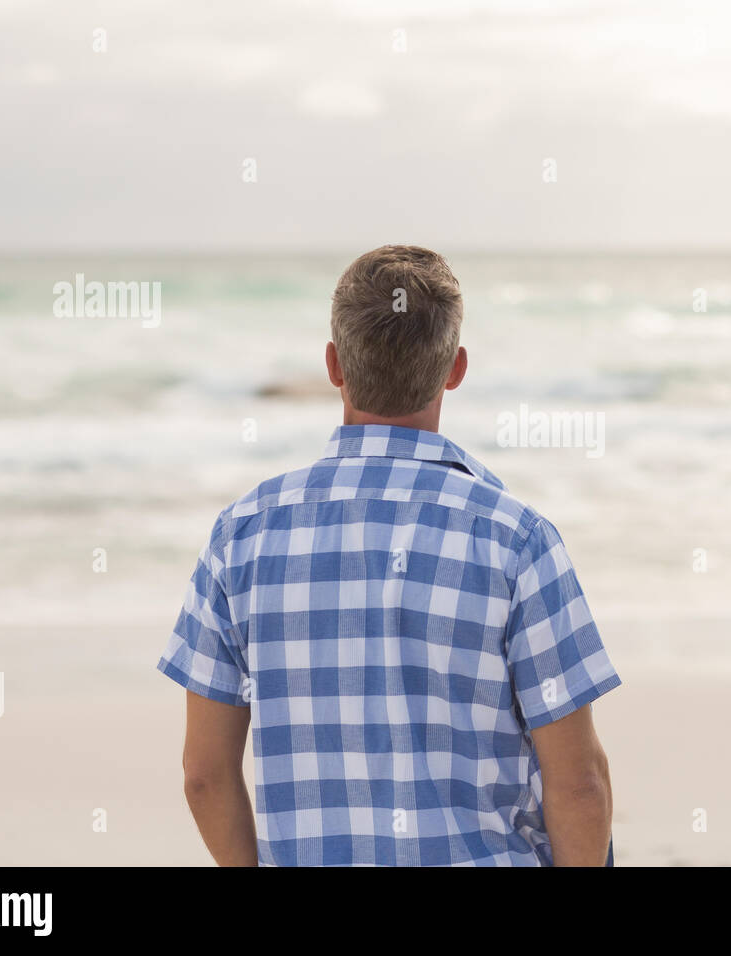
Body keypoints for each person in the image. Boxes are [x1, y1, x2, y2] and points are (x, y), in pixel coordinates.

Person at [157, 245, 621, 866]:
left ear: (333, 365)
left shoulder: (240, 536)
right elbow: (579, 784)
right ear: (454, 369)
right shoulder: (516, 539)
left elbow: (203, 776)